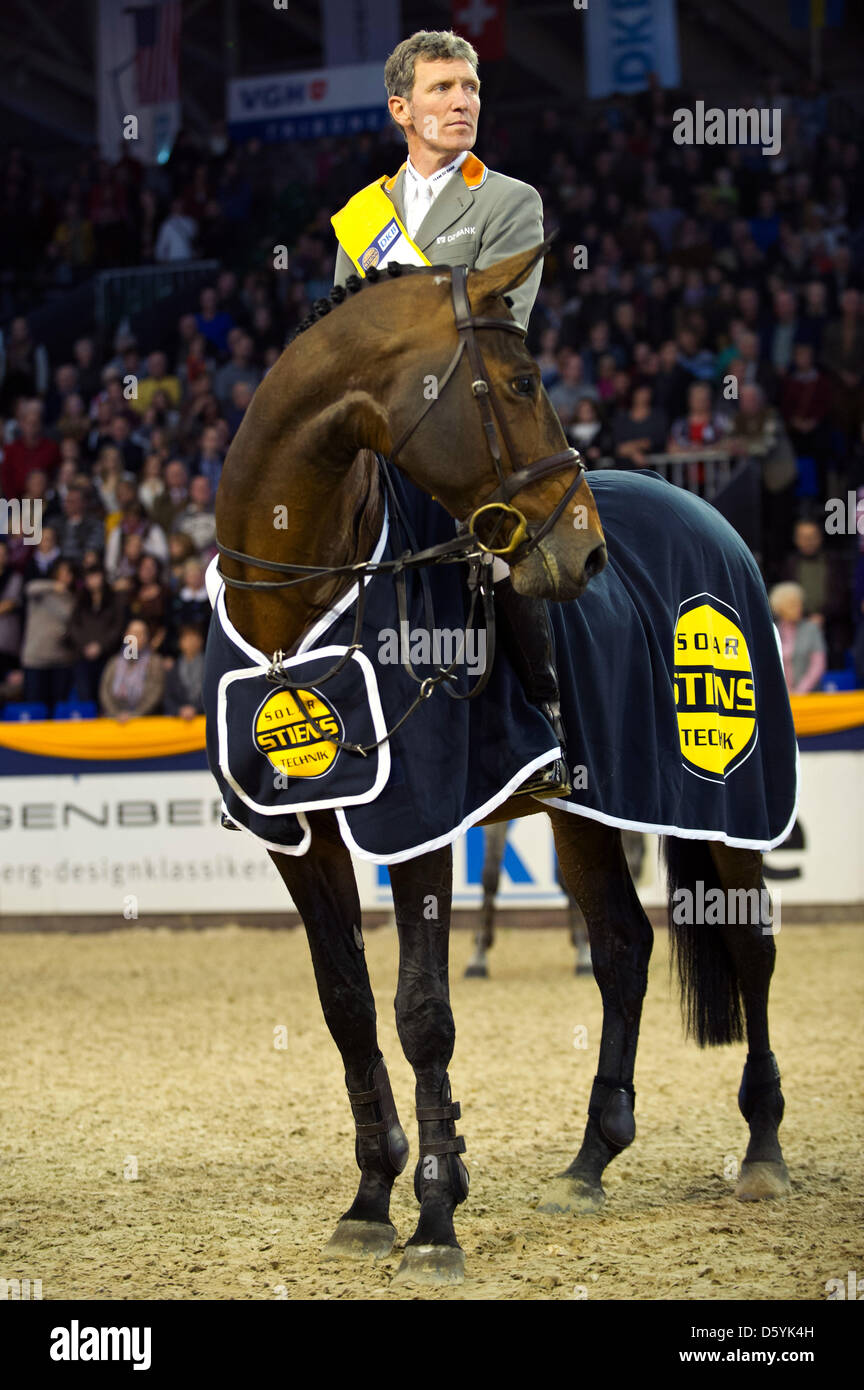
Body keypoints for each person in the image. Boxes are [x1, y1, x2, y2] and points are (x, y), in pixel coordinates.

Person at [331, 27, 568, 797]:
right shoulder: (359, 220)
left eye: (469, 88)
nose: (462, 101)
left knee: (508, 546)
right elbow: (340, 338)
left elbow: (500, 327)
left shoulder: (507, 201)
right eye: (442, 89)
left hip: (474, 420)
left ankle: (547, 724)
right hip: (380, 433)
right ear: (402, 107)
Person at [20, 557, 77, 713]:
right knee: (34, 710)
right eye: (62, 572)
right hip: (35, 659)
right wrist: (53, 586)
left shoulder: (72, 599)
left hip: (61, 660)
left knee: (57, 710)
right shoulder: (41, 592)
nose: (66, 577)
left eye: (69, 573)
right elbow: (29, 588)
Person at [69, 562, 127, 703]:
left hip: (107, 657)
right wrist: (85, 646)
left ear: (103, 577)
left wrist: (101, 646)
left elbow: (118, 627)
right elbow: (73, 627)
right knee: (85, 697)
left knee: (106, 697)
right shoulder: (80, 600)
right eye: (89, 577)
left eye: (96, 576)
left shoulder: (114, 600)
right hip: (83, 656)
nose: (93, 580)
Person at [99, 619, 165, 720]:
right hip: (115, 720)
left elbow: (155, 694)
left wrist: (135, 715)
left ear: (146, 638)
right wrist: (116, 714)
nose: (134, 637)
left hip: (144, 720)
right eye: (132, 633)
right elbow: (105, 692)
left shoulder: (155, 662)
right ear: (126, 635)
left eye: (139, 634)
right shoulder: (114, 662)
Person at [769, 581, 827, 693]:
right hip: (781, 696)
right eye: (792, 605)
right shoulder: (773, 630)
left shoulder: (811, 629)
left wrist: (800, 690)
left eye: (799, 603)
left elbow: (818, 664)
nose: (798, 608)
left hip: (808, 695)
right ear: (780, 607)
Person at [163, 623, 206, 718]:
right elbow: (168, 698)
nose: (191, 642)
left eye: (194, 637)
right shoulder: (173, 668)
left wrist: (196, 709)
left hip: (203, 718)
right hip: (179, 720)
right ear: (180, 643)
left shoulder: (209, 665)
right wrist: (179, 710)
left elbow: (213, 694)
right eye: (186, 638)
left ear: (201, 641)